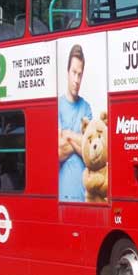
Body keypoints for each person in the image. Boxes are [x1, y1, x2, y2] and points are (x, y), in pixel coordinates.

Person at [58, 44, 92, 201]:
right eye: (74, 73)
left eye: (80, 75)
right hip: (62, 198)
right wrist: (81, 140)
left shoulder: (86, 108)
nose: (77, 80)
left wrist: (68, 135)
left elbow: (90, 153)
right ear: (67, 72)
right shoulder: (56, 106)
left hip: (83, 197)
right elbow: (58, 152)